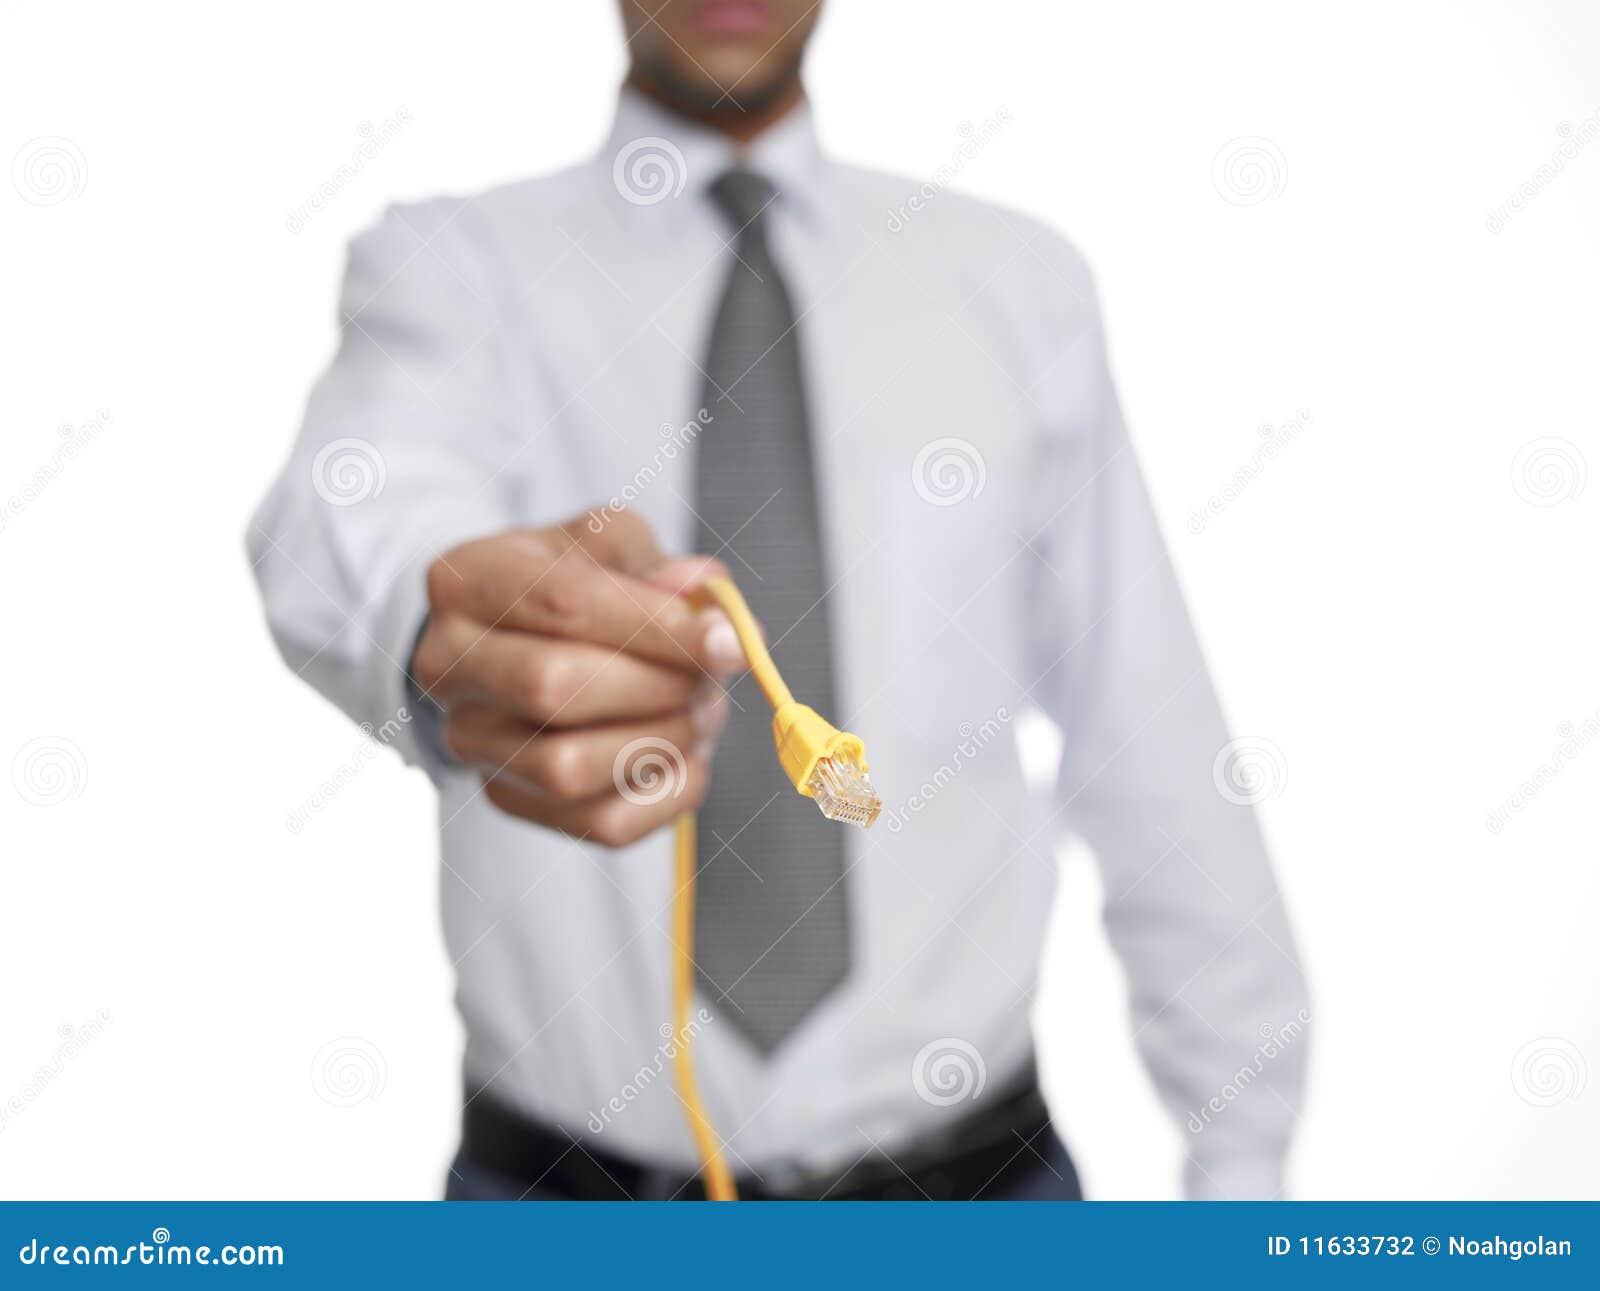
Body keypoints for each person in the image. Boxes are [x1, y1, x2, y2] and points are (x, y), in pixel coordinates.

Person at [248, 0, 1309, 1201]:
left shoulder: (1015, 284)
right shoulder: (453, 267)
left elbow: (1146, 730)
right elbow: (350, 512)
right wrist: (442, 633)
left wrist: (1242, 1159)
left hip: (976, 1197)